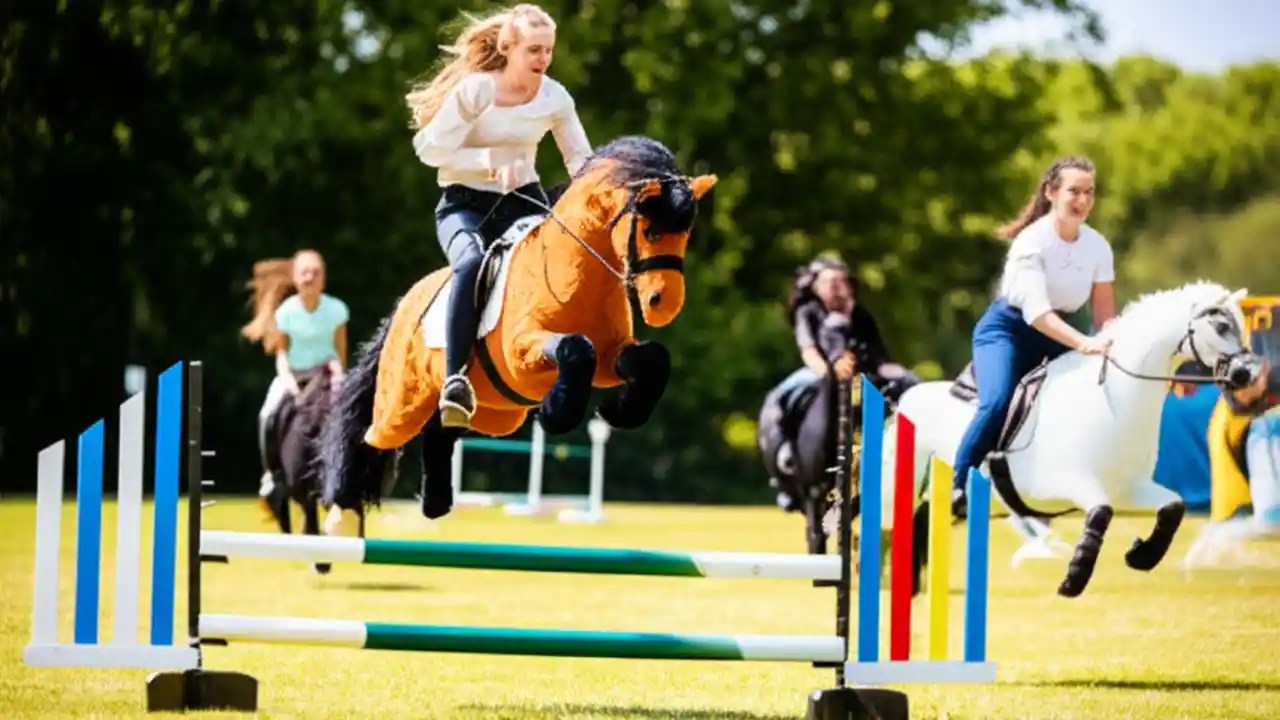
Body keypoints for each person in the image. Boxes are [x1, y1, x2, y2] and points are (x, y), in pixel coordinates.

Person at [406, 2, 593, 429]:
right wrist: (492, 161)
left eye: (548, 50)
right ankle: (456, 380)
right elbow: (429, 150)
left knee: (560, 265)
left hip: (523, 201)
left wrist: (603, 185)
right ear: (508, 48)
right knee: (471, 264)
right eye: (533, 50)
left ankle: (564, 358)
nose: (543, 60)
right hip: (464, 205)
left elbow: (579, 159)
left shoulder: (555, 97)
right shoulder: (476, 91)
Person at [950, 156, 1117, 516]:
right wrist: (1085, 343)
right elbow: (1038, 314)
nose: (1083, 200)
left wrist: (1115, 348)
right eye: (1074, 191)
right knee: (996, 402)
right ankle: (958, 480)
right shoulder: (1031, 241)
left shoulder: (1099, 246)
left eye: (1090, 192)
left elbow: (1105, 317)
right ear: (1051, 193)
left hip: (1059, 333)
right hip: (1008, 331)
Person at [241, 249, 349, 512]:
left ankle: (349, 474)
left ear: (324, 278)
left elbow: (340, 351)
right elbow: (281, 354)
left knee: (351, 414)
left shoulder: (336, 310)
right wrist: (287, 380)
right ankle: (271, 475)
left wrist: (340, 375)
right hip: (294, 375)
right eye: (305, 272)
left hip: (325, 374)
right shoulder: (286, 312)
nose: (310, 277)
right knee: (267, 414)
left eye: (316, 272)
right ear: (295, 277)